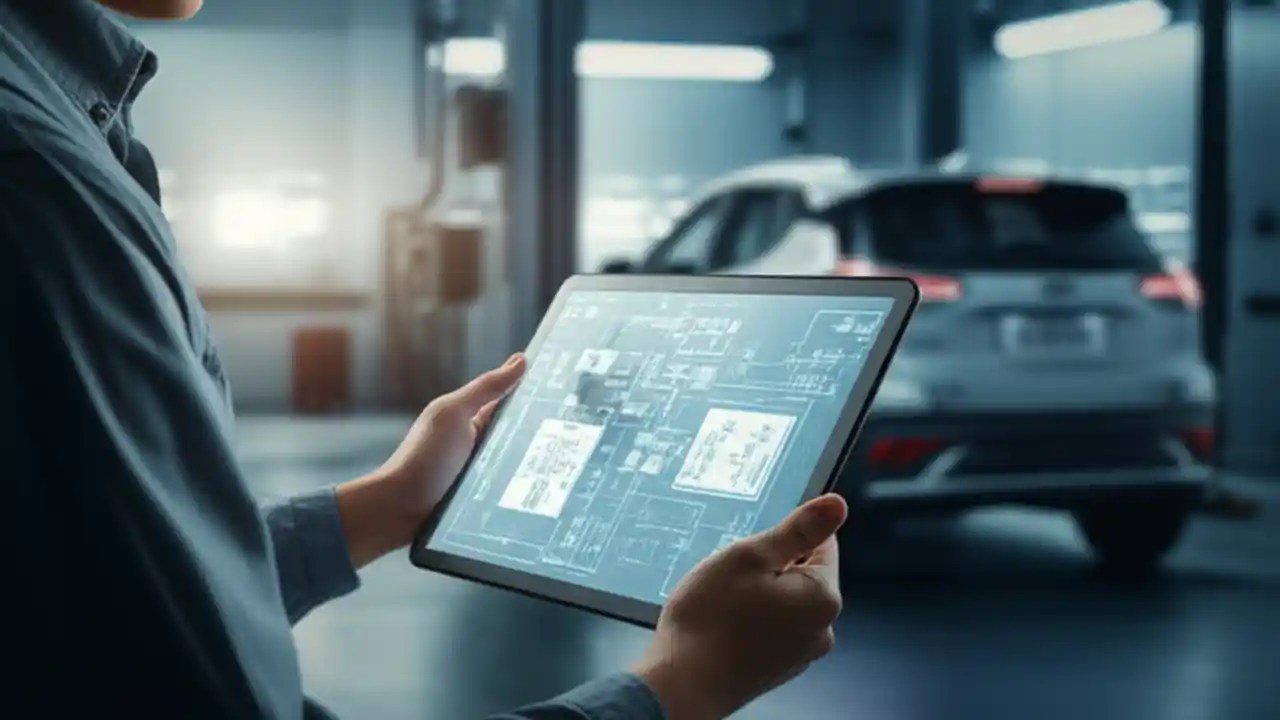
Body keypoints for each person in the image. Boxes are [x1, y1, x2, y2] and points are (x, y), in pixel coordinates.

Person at [1, 1, 848, 718]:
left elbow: (109, 600)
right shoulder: (36, 183)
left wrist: (388, 504)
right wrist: (681, 684)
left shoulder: (56, 115)